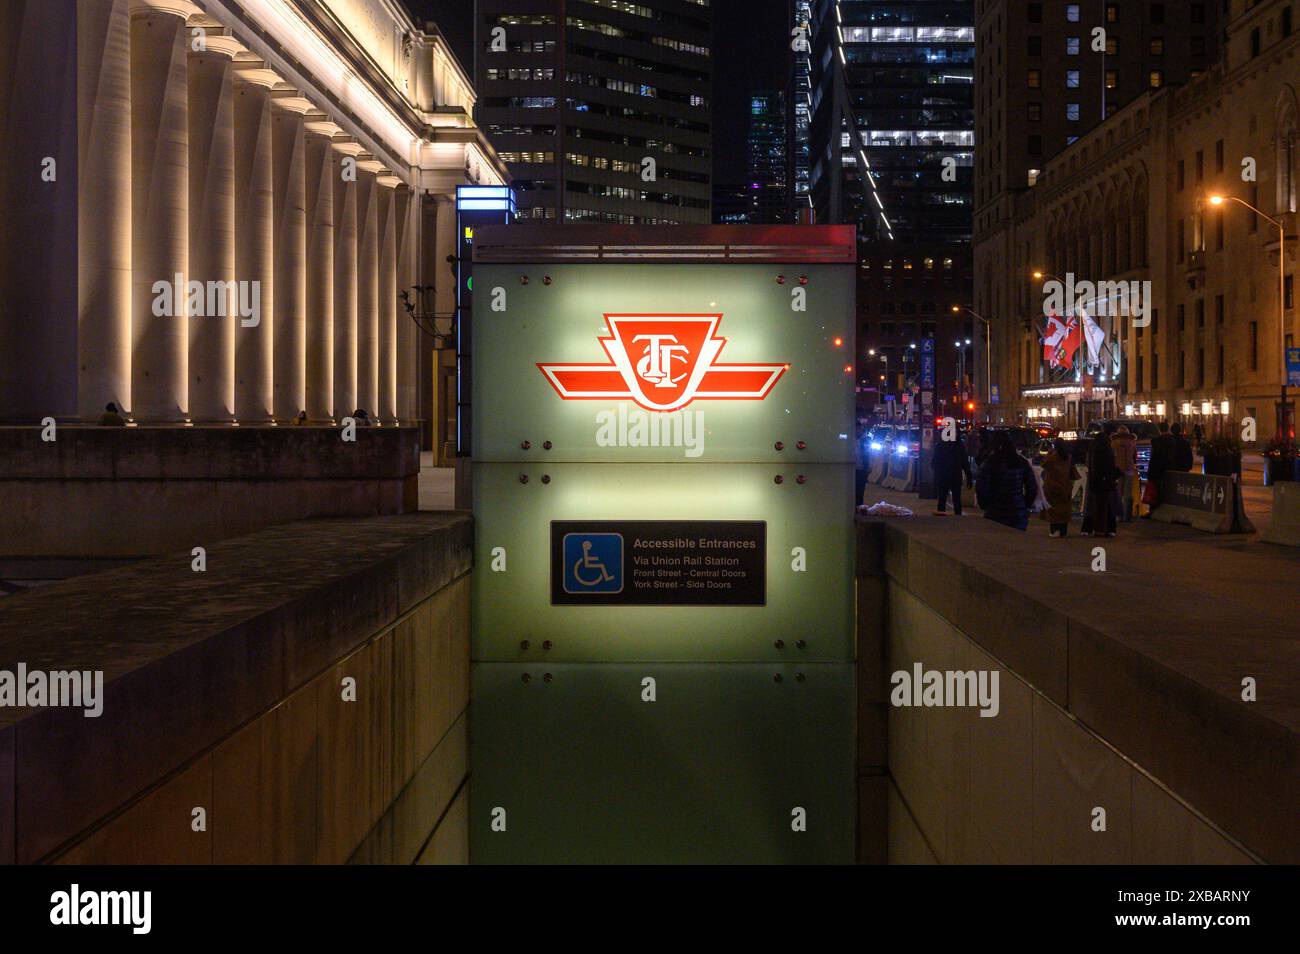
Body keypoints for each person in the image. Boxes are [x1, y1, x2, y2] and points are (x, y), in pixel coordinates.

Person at [975, 433, 1037, 531]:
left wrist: (985, 504)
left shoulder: (990, 463)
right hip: (1017, 513)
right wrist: (1025, 505)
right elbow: (1032, 487)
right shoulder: (1021, 462)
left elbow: (981, 486)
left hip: (995, 512)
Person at [1082, 428, 1120, 537]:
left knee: (1094, 506)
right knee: (1108, 506)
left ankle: (1093, 528)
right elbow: (1113, 466)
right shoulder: (1109, 451)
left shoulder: (1093, 451)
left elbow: (1090, 465)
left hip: (1095, 482)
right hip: (1108, 482)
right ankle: (1109, 529)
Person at [1041, 439, 1079, 537]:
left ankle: (1054, 530)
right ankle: (1063, 531)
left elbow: (1044, 464)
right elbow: (1072, 472)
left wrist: (1049, 453)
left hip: (1053, 486)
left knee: (1053, 509)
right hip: (1065, 486)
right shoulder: (1068, 457)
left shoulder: (1053, 457)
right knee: (1064, 509)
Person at [932, 431, 973, 516]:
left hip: (943, 476)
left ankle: (941, 518)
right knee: (956, 499)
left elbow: (934, 463)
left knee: (942, 499)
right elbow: (965, 462)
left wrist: (937, 475)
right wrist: (969, 477)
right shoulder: (959, 445)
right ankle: (957, 518)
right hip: (955, 476)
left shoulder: (940, 445)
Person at [1110, 424, 1138, 522]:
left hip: (1118, 469)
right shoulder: (1132, 442)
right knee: (1128, 493)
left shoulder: (1114, 443)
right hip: (1129, 469)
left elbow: (1112, 456)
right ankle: (1127, 516)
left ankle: (1119, 515)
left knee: (1118, 493)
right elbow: (1135, 456)